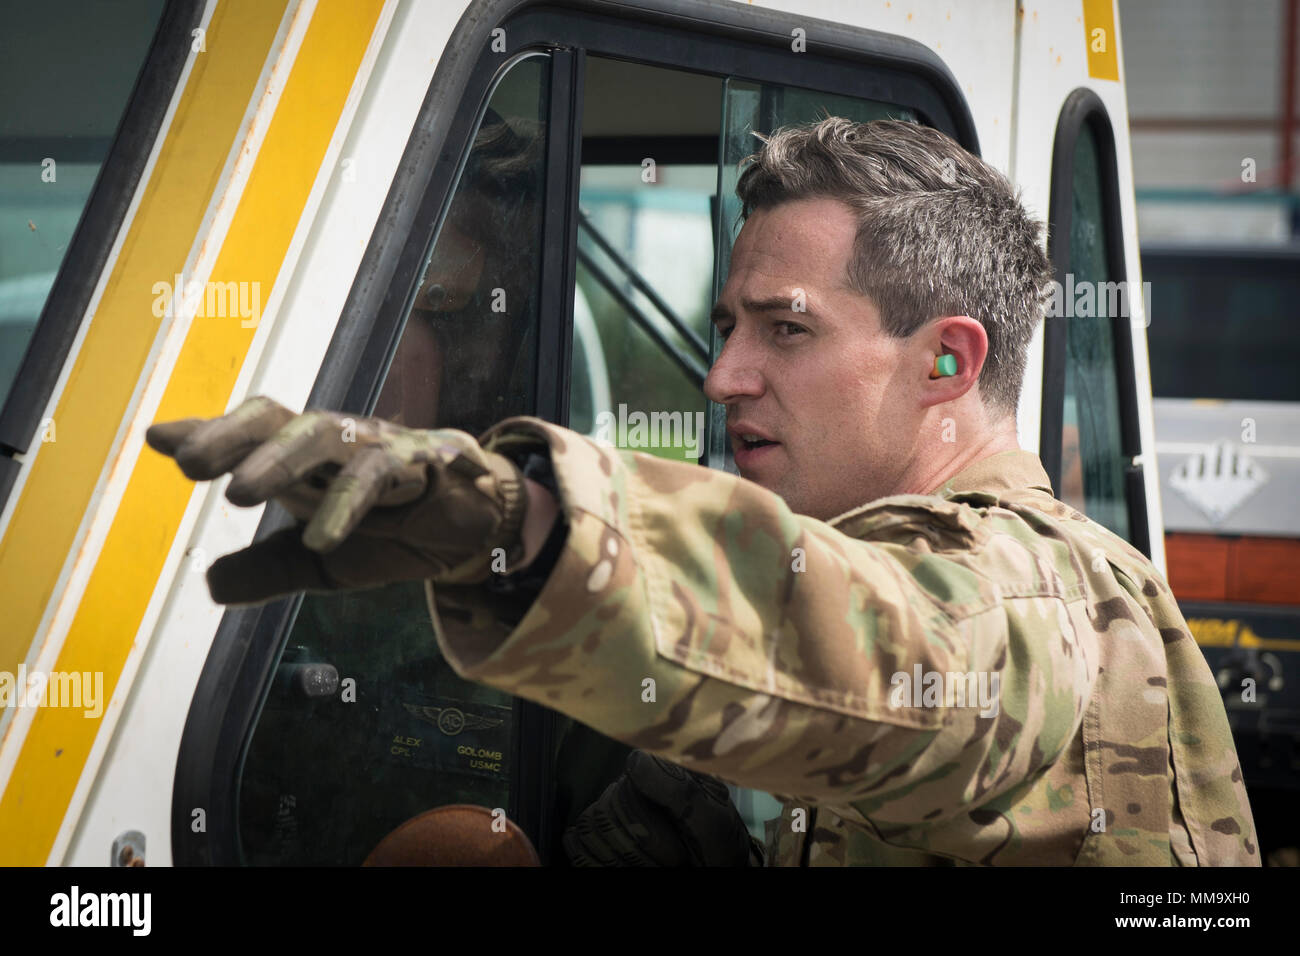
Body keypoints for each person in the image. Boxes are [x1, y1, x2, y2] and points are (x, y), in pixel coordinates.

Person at [146, 117, 1258, 866]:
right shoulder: (773, 680)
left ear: (945, 363)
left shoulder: (1034, 593)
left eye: (786, 329)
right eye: (728, 325)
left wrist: (517, 522)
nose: (725, 374)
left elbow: (891, 648)